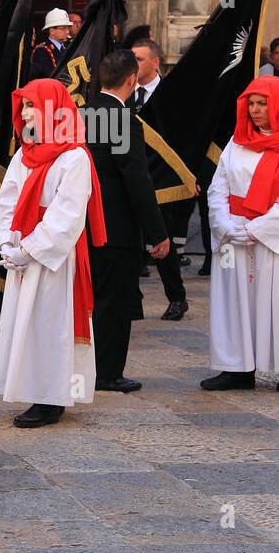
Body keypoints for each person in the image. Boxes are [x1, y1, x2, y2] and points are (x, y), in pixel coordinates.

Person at [0, 78, 107, 427]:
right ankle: (30, 386)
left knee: (50, 322)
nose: (26, 113)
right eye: (23, 105)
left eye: (33, 105)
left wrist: (29, 249)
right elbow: (7, 199)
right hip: (24, 250)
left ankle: (52, 396)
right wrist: (7, 242)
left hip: (55, 258)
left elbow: (68, 214)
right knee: (25, 320)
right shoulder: (24, 154)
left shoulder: (74, 157)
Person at [87, 49, 170, 392]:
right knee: (114, 302)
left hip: (83, 222)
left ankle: (83, 365)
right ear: (132, 80)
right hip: (115, 226)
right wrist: (157, 233)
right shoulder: (123, 121)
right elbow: (137, 180)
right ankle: (107, 373)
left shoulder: (81, 115)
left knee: (88, 299)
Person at [201, 77, 279, 391]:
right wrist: (225, 225)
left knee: (272, 303)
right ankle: (236, 368)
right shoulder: (236, 142)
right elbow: (217, 188)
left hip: (267, 240)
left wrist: (257, 229)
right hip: (233, 235)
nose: (256, 110)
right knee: (232, 302)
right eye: (251, 103)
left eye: (263, 103)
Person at [131, 38, 190, 319]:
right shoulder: (124, 94)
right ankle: (132, 299)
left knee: (161, 240)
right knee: (128, 241)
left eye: (139, 59)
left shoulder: (172, 95)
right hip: (131, 176)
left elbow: (185, 139)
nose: (133, 64)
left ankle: (177, 297)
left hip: (161, 179)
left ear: (155, 63)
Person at [29, 8, 72, 80]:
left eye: (68, 28)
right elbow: (48, 76)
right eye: (63, 28)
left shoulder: (69, 47)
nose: (67, 32)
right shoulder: (42, 51)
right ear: (52, 31)